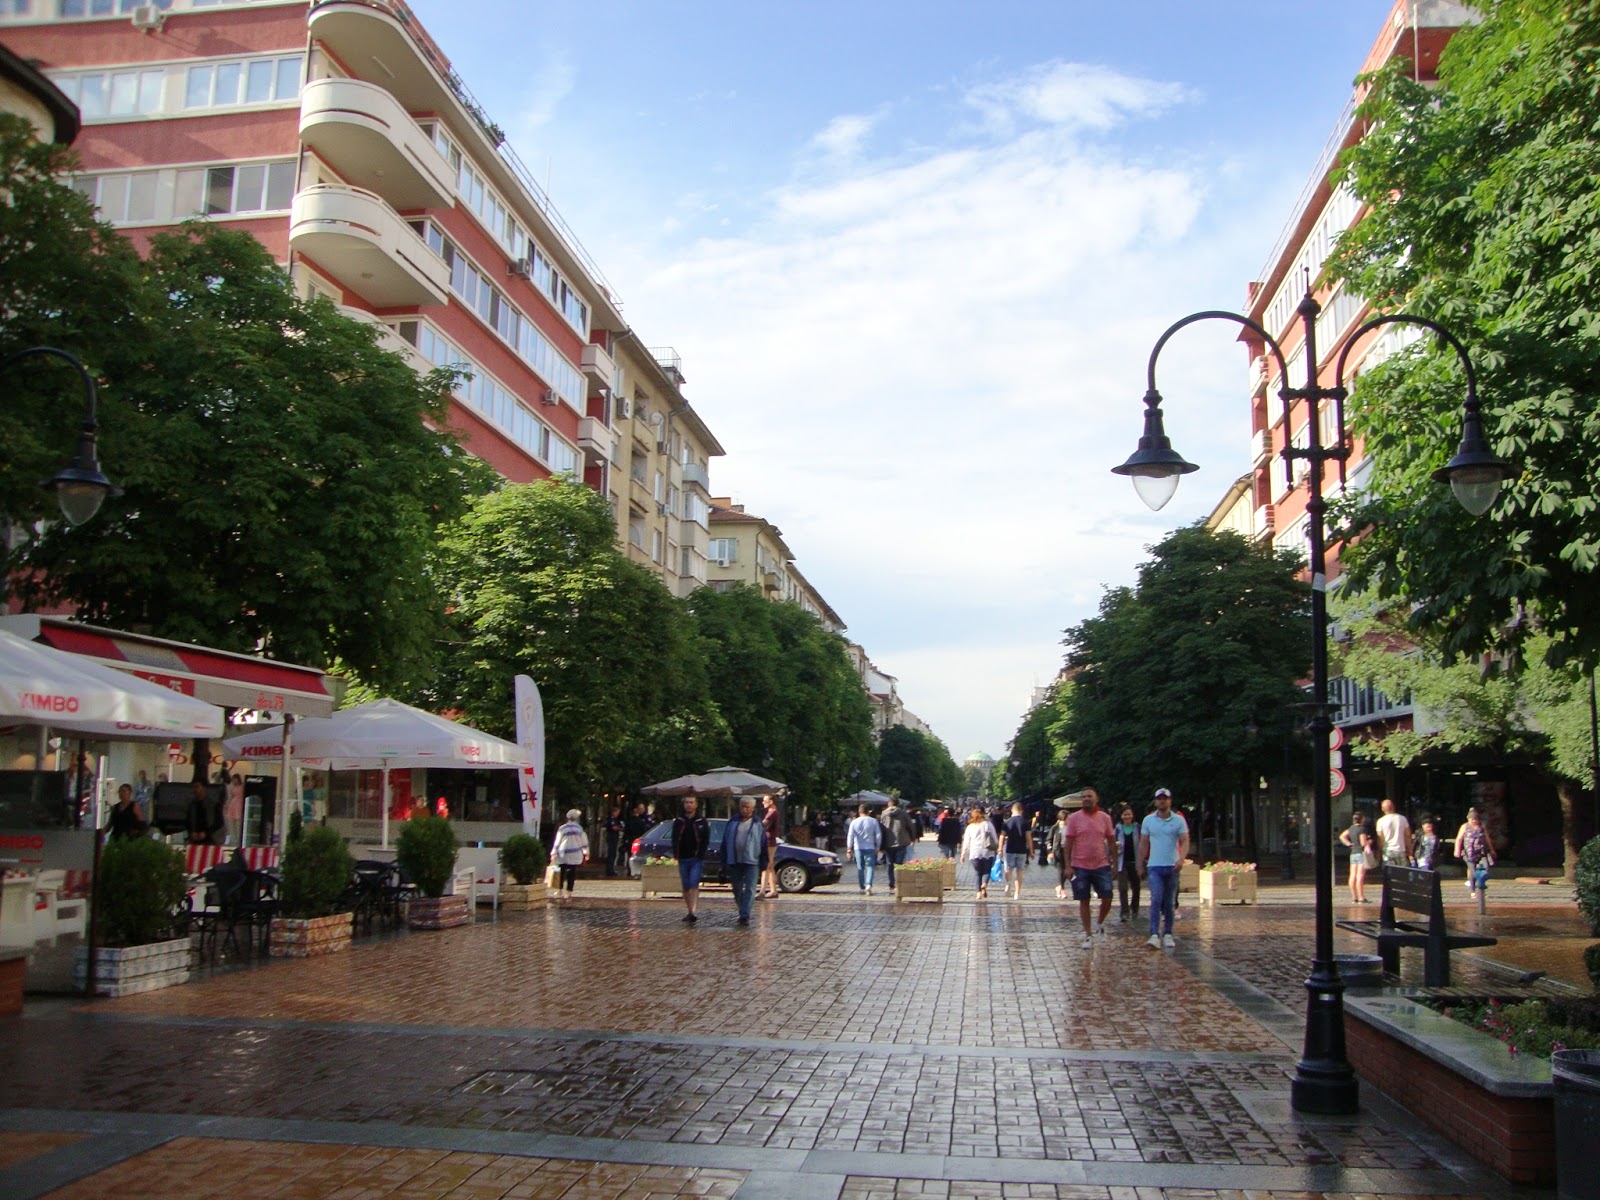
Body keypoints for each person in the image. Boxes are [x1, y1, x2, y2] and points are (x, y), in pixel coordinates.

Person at [1063, 787, 1116, 947]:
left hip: (1101, 864)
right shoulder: (1074, 818)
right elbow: (1068, 844)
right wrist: (1067, 866)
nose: (1086, 799)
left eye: (1090, 796)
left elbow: (1112, 842)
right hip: (1080, 866)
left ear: (1096, 799)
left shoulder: (1105, 818)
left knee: (1107, 897)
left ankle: (1099, 922)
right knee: (1083, 899)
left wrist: (1114, 863)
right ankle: (1088, 935)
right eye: (1084, 796)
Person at [1139, 787, 1190, 950]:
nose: (1162, 801)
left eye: (1165, 798)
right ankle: (1154, 933)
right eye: (1159, 799)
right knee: (1155, 899)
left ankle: (1167, 933)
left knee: (1169, 902)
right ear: (1155, 801)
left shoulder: (1178, 820)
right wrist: (1140, 863)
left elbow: (1185, 840)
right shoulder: (1148, 820)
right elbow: (1143, 843)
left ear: (1170, 801)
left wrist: (1182, 859)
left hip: (1172, 865)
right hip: (1154, 865)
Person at [722, 795, 767, 924]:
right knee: (736, 887)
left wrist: (764, 861)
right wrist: (724, 859)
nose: (745, 809)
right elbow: (725, 841)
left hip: (752, 860)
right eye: (743, 806)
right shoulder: (733, 822)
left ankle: (744, 914)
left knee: (750, 888)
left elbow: (763, 843)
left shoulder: (757, 823)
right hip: (734, 859)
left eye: (748, 807)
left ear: (753, 809)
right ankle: (743, 909)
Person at [671, 794, 712, 923]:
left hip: (696, 858)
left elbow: (705, 839)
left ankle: (693, 911)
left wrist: (701, 853)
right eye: (687, 802)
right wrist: (676, 853)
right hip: (683, 857)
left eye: (691, 802)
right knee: (686, 885)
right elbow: (674, 838)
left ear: (696, 804)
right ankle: (689, 911)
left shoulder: (701, 821)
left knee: (694, 883)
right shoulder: (679, 821)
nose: (689, 805)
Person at [1454, 806, 1495, 904]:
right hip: (1469, 853)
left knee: (1486, 867)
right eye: (1471, 819)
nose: (1473, 821)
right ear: (1468, 819)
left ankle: (1481, 888)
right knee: (1473, 871)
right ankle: (1473, 890)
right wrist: (1457, 850)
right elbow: (1459, 839)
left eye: (1475, 819)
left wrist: (1492, 850)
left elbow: (1487, 839)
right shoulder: (1464, 826)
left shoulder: (1482, 826)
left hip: (1481, 851)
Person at [959, 807, 1000, 899]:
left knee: (977, 873)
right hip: (987, 851)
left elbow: (966, 842)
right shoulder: (988, 824)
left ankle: (978, 893)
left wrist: (963, 854)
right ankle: (984, 884)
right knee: (987, 871)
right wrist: (997, 849)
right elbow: (995, 838)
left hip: (974, 852)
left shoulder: (970, 827)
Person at [550, 809, 589, 900]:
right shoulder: (579, 829)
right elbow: (584, 842)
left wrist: (553, 853)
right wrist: (586, 852)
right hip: (575, 853)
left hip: (563, 853)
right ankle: (569, 891)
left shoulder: (562, 828)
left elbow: (557, 842)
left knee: (561, 872)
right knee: (572, 873)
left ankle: (559, 890)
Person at [846, 803, 883, 895]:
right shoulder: (873, 821)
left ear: (859, 812)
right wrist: (878, 847)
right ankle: (868, 885)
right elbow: (878, 835)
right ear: (868, 811)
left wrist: (849, 848)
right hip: (870, 847)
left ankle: (862, 885)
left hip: (858, 847)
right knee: (870, 866)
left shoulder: (854, 822)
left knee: (860, 867)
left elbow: (850, 835)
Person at [879, 796, 915, 889]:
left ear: (889, 803)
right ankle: (899, 881)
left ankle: (892, 883)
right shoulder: (903, 814)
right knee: (899, 864)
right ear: (898, 803)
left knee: (890, 864)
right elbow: (910, 826)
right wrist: (912, 838)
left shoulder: (883, 814)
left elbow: (881, 829)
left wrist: (880, 845)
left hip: (888, 842)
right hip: (901, 841)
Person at [1113, 806, 1142, 923]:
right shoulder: (1118, 828)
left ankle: (1134, 908)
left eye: (1129, 814)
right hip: (1122, 862)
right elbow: (1112, 843)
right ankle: (1124, 912)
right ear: (1121, 816)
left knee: (1136, 887)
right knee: (1122, 888)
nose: (1127, 816)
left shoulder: (1137, 827)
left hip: (1135, 861)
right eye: (1125, 814)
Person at [1339, 811, 1374, 903]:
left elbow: (1342, 836)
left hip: (1353, 853)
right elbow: (1363, 843)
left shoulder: (1351, 828)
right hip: (1361, 853)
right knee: (1360, 876)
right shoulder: (1362, 829)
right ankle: (1361, 897)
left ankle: (1354, 897)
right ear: (1362, 819)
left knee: (1352, 875)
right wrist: (1369, 842)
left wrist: (1349, 844)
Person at [1001, 802, 1032, 901]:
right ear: (1021, 811)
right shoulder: (1025, 822)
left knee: (1008, 869)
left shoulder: (1007, 822)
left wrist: (999, 848)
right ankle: (1017, 893)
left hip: (1010, 848)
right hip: (1021, 850)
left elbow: (1002, 836)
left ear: (1011, 810)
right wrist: (1031, 850)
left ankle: (1008, 883)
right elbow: (1028, 837)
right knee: (1020, 871)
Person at [1375, 798, 1413, 868]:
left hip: (1388, 851)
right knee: (1402, 873)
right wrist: (1409, 849)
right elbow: (1408, 835)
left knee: (1389, 873)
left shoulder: (1380, 821)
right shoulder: (1402, 819)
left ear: (1382, 809)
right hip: (1401, 850)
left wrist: (1379, 852)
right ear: (1393, 807)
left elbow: (1380, 838)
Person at [185, 779, 224, 846]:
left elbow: (219, 822)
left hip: (210, 841)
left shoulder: (213, 805)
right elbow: (188, 821)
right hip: (194, 841)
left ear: (204, 788)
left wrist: (206, 833)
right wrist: (191, 832)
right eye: (194, 787)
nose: (195, 790)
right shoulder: (192, 805)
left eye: (197, 787)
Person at [759, 795, 783, 898]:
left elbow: (763, 824)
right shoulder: (773, 812)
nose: (763, 803)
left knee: (766, 865)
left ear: (771, 801)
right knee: (770, 866)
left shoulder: (772, 813)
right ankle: (773, 890)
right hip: (771, 840)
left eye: (765, 801)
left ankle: (762, 891)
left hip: (769, 841)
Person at [1047, 806, 1072, 899]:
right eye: (1068, 817)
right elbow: (1048, 840)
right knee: (1061, 870)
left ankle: (1059, 886)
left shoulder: (1070, 827)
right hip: (1058, 851)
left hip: (1069, 850)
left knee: (1068, 869)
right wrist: (1050, 851)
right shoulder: (1055, 828)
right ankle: (1062, 889)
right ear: (1063, 818)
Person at [623, 802, 651, 878]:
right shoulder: (641, 822)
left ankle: (630, 871)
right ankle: (637, 871)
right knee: (638, 856)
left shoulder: (629, 821)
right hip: (638, 840)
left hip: (630, 840)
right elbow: (644, 830)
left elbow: (626, 831)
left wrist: (625, 840)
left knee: (630, 856)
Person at [224, 772, 246, 846]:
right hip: (233, 805)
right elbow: (230, 797)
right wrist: (227, 805)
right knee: (231, 823)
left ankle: (238, 839)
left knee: (238, 824)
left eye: (235, 779)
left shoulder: (242, 787)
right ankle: (233, 839)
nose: (234, 781)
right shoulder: (232, 787)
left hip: (239, 805)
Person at [603, 805, 624, 877]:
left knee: (614, 854)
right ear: (614, 812)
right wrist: (619, 828)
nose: (618, 814)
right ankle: (609, 870)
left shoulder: (616, 819)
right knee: (611, 854)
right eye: (617, 812)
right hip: (611, 837)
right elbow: (614, 827)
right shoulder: (611, 819)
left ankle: (611, 869)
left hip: (615, 838)